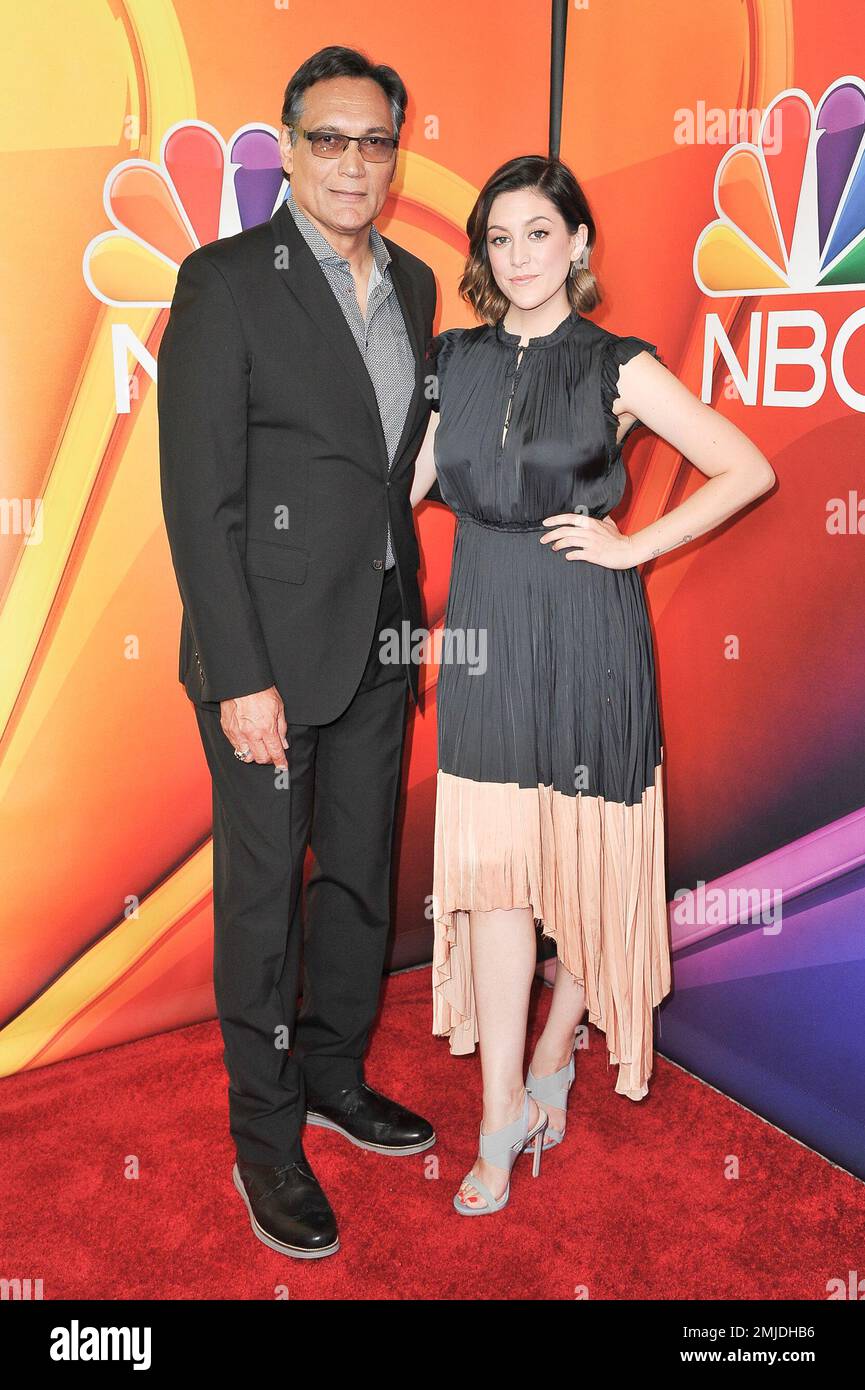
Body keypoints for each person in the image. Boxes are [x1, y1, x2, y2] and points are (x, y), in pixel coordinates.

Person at [411, 155, 775, 1215]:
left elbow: (746, 466)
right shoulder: (455, 359)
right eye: (498, 238)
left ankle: (555, 1051)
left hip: (586, 634)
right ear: (481, 256)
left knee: (580, 866)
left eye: (538, 233)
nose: (518, 255)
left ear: (578, 245)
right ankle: (496, 1115)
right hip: (486, 633)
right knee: (492, 881)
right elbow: (407, 482)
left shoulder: (618, 362)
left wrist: (634, 548)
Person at [158, 45, 441, 1259]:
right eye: (328, 140)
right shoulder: (225, 279)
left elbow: (388, 471)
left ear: (395, 150)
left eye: (373, 141)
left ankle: (332, 1075)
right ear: (285, 147)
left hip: (379, 635)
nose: (353, 164)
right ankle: (266, 1139)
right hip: (267, 655)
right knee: (263, 905)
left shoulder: (420, 282)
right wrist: (241, 679)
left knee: (361, 882)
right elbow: (199, 500)